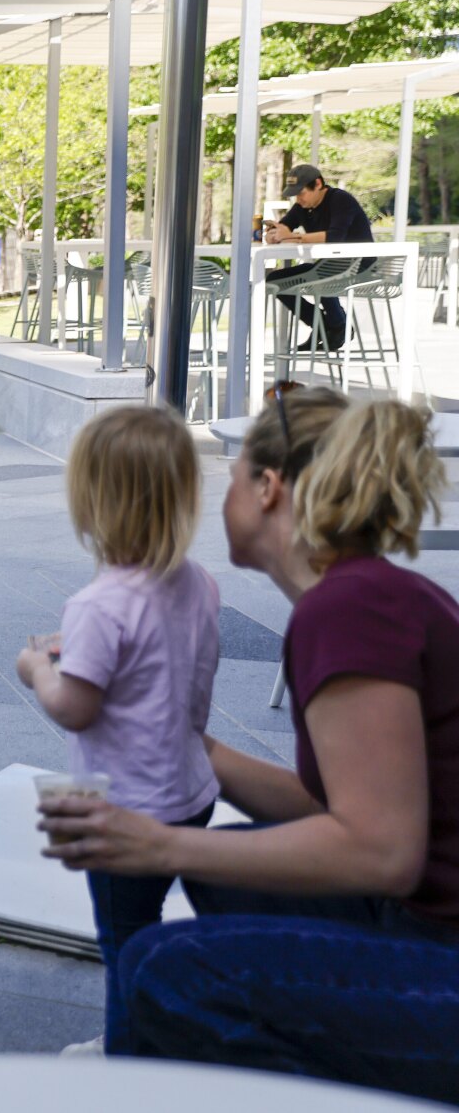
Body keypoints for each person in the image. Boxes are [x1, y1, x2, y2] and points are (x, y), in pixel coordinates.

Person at [38, 386, 459, 1103]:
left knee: (160, 966)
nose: (216, 495)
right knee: (228, 870)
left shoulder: (349, 610)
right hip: (423, 917)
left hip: (440, 954)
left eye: (229, 475)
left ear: (268, 488)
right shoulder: (375, 596)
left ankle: (150, 1070)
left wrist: (159, 844)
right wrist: (183, 741)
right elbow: (333, 802)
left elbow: (382, 849)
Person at [15, 406, 219, 1054]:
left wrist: (36, 672)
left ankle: (125, 1059)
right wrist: (74, 649)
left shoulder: (97, 605)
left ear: (91, 502)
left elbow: (75, 707)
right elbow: (165, 664)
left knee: (124, 940)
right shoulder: (198, 584)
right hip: (192, 794)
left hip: (126, 810)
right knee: (147, 925)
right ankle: (147, 1033)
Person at [263, 164, 374, 351]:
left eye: (302, 193)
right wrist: (273, 233)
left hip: (360, 267)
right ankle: (327, 326)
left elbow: (334, 237)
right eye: (295, 194)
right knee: (275, 280)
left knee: (321, 276)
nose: (298, 198)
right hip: (328, 267)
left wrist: (292, 236)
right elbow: (284, 227)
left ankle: (336, 325)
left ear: (318, 184)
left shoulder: (340, 200)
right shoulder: (302, 206)